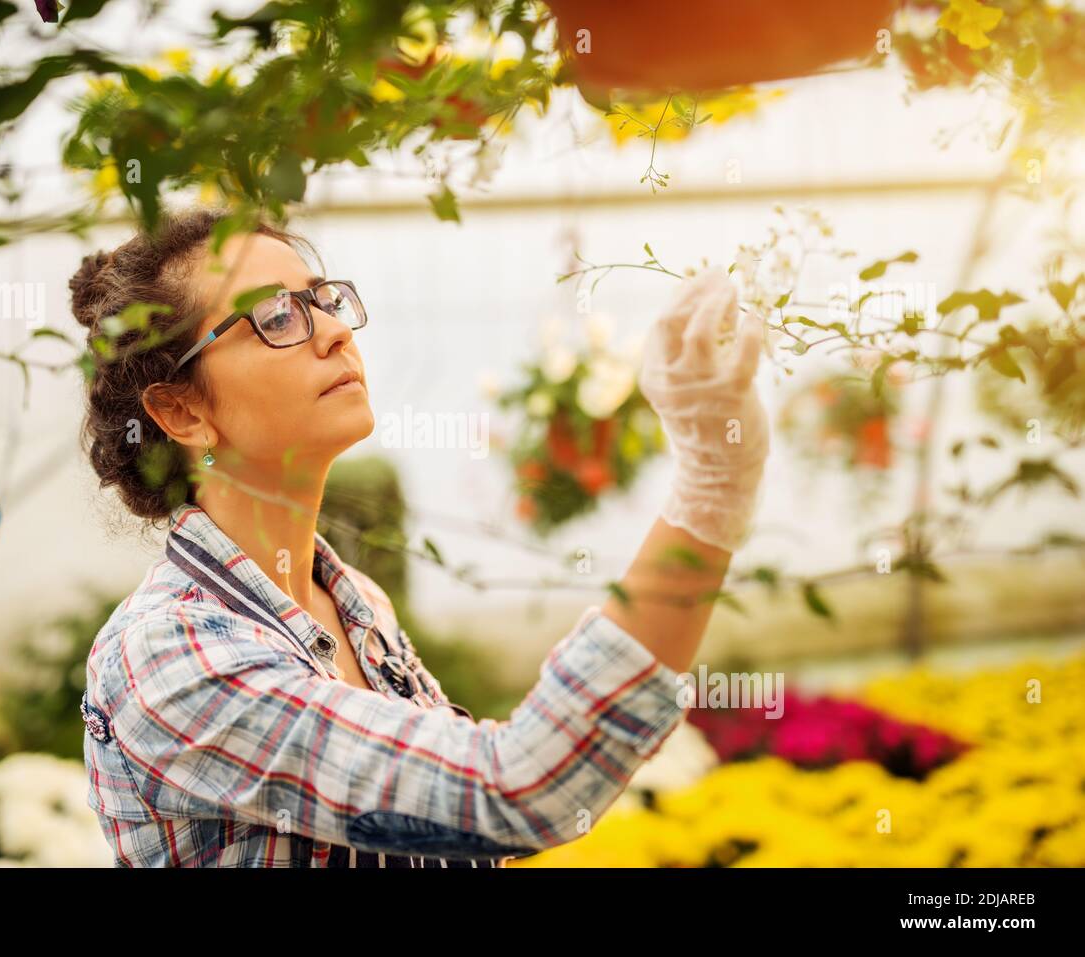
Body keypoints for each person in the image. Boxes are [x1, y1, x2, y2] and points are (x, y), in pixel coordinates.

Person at [72, 206, 769, 867]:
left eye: (323, 300)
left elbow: (466, 828)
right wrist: (711, 488)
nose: (334, 332)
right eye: (275, 315)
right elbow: (511, 792)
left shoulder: (355, 602)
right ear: (179, 409)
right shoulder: (169, 653)